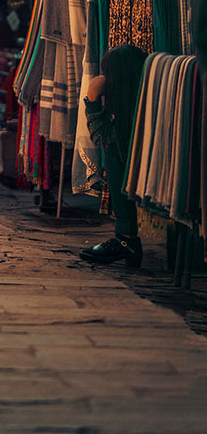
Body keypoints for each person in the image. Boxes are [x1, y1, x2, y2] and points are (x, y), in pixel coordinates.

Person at [78, 44, 147, 268]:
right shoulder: (142, 106)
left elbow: (102, 137)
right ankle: (126, 239)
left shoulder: (129, 119)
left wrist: (92, 101)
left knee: (114, 156)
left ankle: (126, 239)